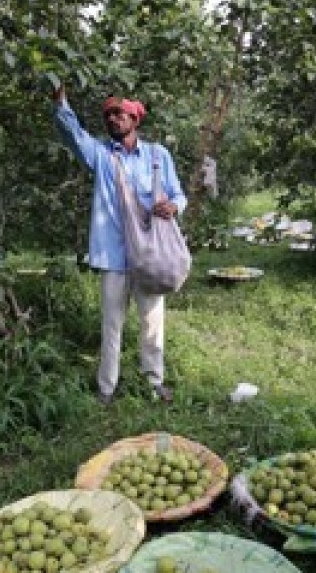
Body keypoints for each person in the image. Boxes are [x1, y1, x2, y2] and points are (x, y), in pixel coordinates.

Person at [52, 84, 187, 404]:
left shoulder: (158, 155)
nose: (112, 119)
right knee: (111, 326)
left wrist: (174, 206)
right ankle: (106, 389)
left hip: (150, 256)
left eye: (119, 114)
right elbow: (75, 138)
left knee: (152, 324)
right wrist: (61, 107)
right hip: (114, 256)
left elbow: (179, 194)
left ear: (134, 120)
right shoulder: (100, 155)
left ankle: (154, 385)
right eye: (108, 115)